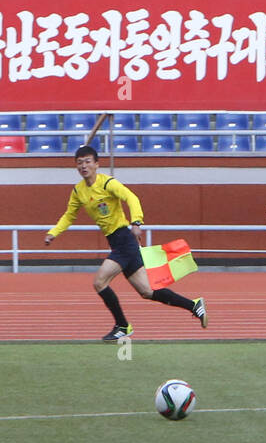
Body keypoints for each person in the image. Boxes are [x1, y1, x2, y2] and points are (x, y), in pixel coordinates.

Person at [44, 145, 205, 341]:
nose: (84, 166)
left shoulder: (107, 183)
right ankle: (194, 305)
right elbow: (69, 216)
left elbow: (131, 197)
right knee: (147, 291)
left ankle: (122, 326)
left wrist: (136, 222)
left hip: (124, 241)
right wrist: (54, 233)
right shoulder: (78, 191)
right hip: (116, 242)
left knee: (99, 282)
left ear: (96, 164)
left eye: (88, 162)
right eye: (80, 163)